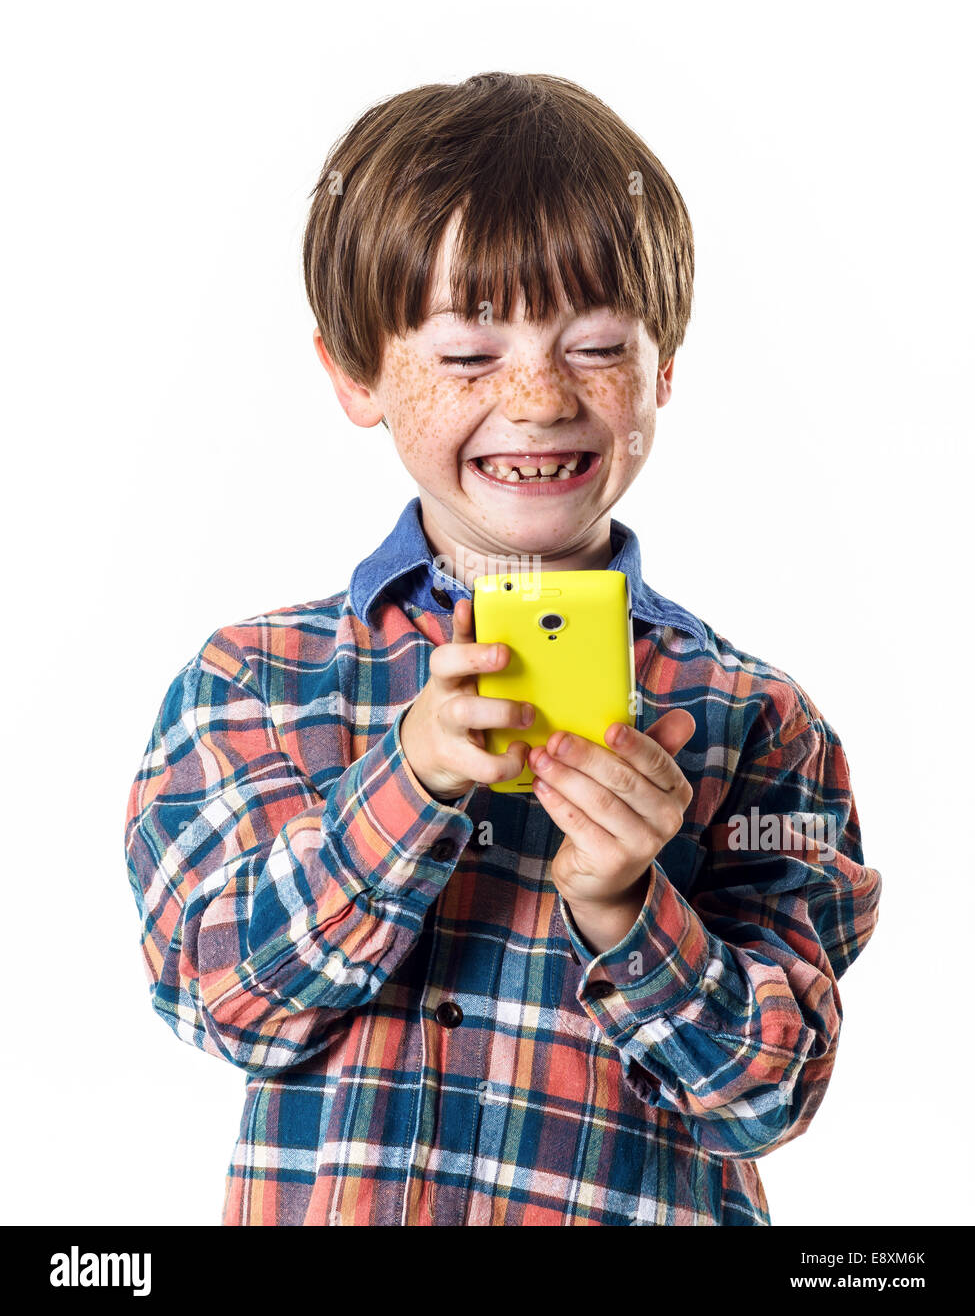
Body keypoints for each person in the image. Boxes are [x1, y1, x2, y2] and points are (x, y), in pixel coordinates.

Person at [124, 71, 882, 1226]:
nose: (536, 399)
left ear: (662, 367)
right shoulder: (251, 687)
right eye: (469, 356)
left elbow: (770, 1093)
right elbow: (222, 998)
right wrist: (409, 782)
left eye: (595, 345)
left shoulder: (757, 720)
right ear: (354, 373)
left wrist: (629, 907)